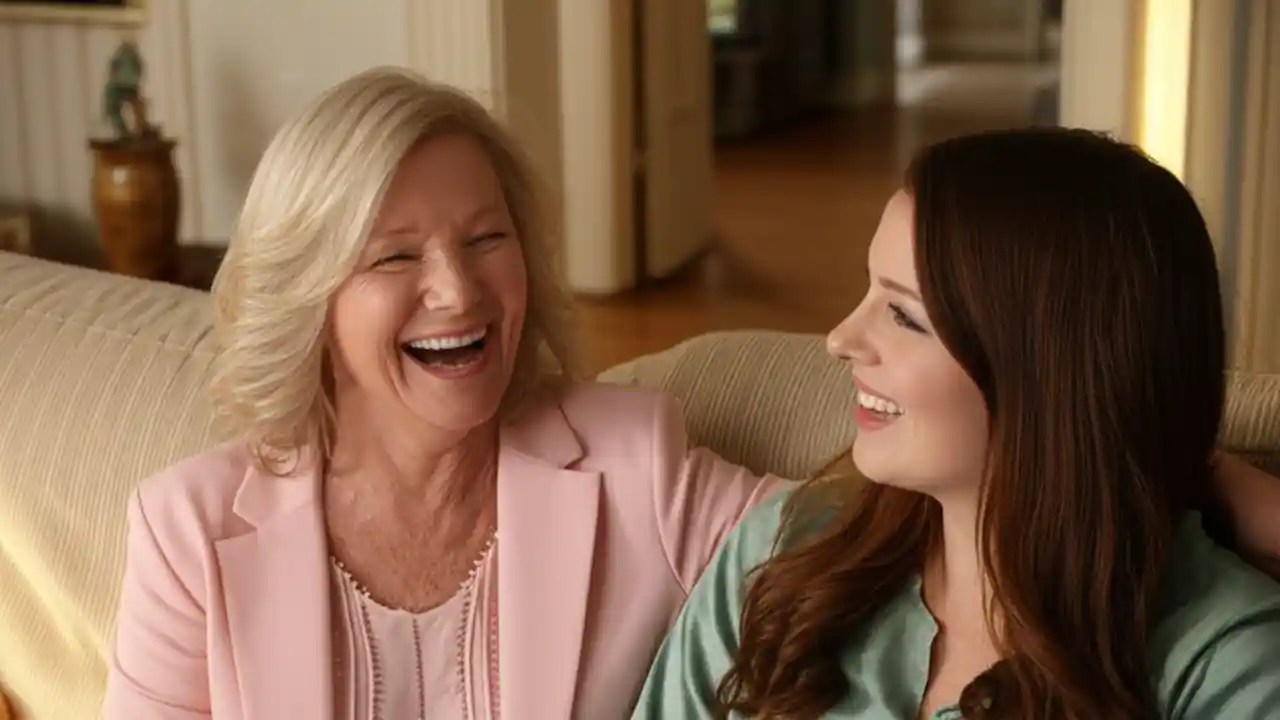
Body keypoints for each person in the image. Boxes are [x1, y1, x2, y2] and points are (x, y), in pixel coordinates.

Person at [104, 69, 1277, 719]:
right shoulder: (189, 529)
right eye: (392, 255)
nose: (455, 289)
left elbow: (989, 485)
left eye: (487, 237)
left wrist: (1175, 458)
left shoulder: (646, 469)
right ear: (309, 289)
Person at [635, 128, 1280, 719]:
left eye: (904, 316)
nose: (840, 339)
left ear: (1051, 378)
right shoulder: (781, 554)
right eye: (870, 292)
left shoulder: (1228, 667)